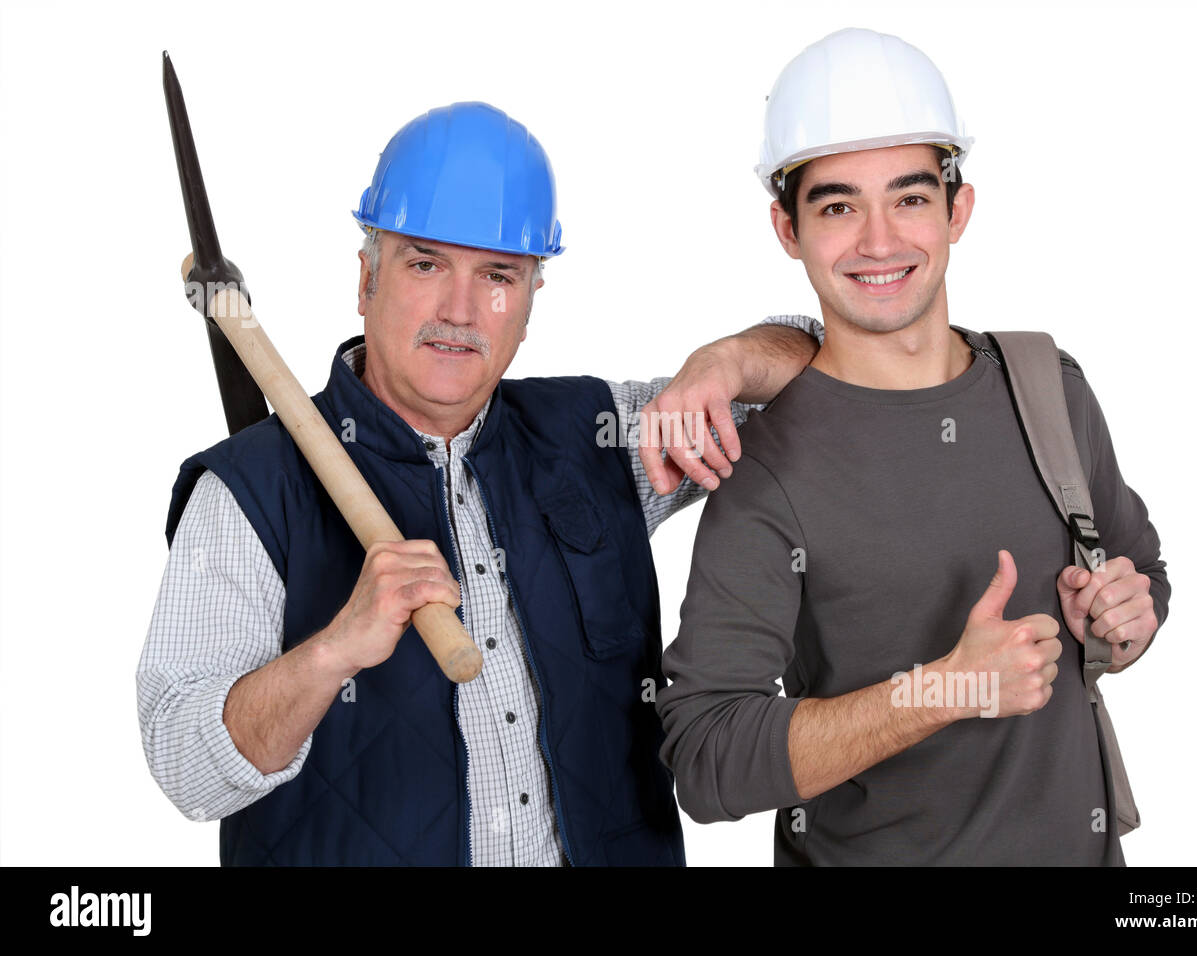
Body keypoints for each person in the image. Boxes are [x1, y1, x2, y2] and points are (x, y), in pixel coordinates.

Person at [137, 101, 822, 866]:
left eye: (498, 275)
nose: (460, 310)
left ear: (530, 301)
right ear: (367, 278)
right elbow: (185, 770)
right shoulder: (248, 496)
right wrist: (331, 652)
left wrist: (725, 360)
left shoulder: (602, 437)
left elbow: (835, 377)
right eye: (425, 263)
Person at [654, 28, 1170, 865]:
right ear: (786, 229)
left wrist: (1122, 620)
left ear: (957, 208)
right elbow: (709, 760)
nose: (880, 241)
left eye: (910, 197)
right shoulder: (766, 470)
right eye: (836, 206)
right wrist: (948, 689)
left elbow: (1143, 573)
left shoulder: (1048, 388)